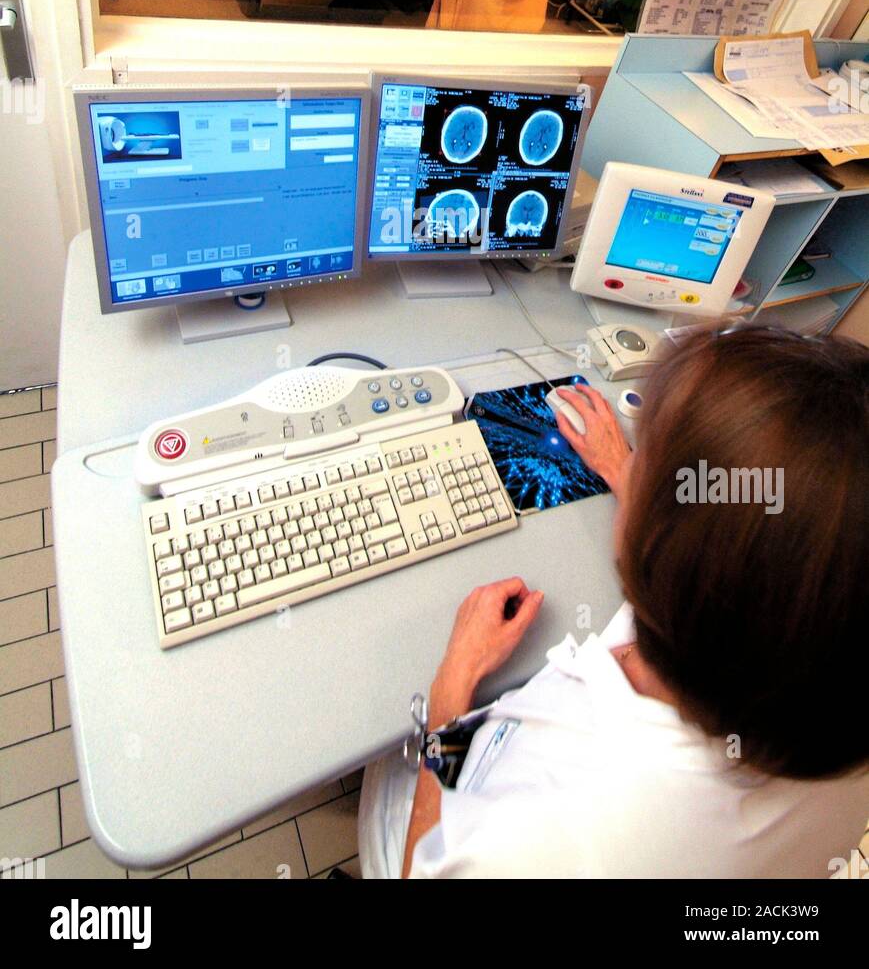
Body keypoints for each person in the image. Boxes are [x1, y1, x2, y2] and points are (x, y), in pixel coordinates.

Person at [358, 326, 869, 878]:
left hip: (450, 822)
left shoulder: (533, 846)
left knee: (385, 755)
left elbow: (421, 870)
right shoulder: (827, 701)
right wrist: (626, 471)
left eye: (649, 457)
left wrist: (449, 696)